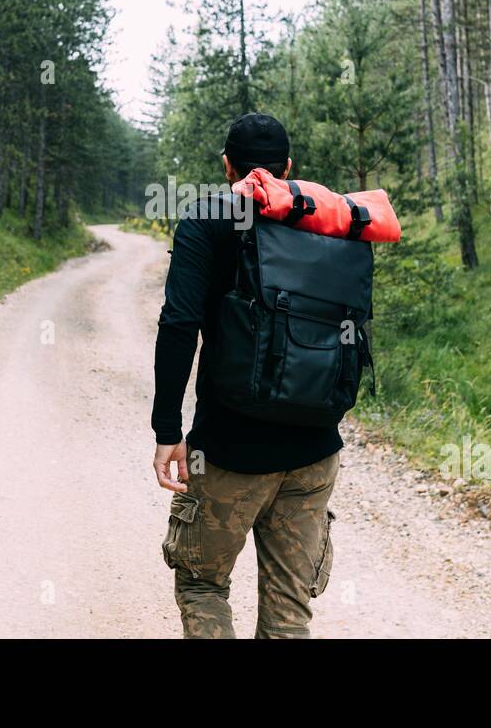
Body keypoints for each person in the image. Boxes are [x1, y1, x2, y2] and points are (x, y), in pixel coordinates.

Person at [151, 113, 339, 639]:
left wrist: (168, 430)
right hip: (315, 449)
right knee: (288, 606)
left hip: (229, 447)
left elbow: (179, 324)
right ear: (289, 167)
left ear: (227, 166)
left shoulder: (206, 220)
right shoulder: (325, 220)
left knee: (203, 585)